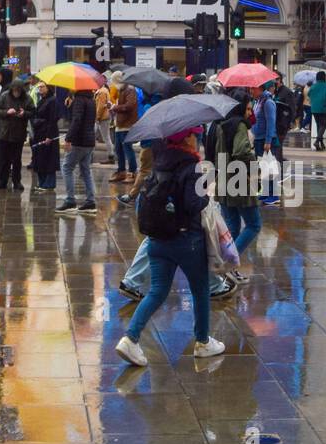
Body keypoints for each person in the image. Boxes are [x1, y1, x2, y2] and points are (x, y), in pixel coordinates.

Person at [115, 129, 225, 366]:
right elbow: (194, 204)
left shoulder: (159, 163)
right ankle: (203, 342)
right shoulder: (191, 166)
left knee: (156, 291)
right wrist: (205, 193)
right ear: (187, 139)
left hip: (157, 240)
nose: (197, 139)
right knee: (200, 290)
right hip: (187, 241)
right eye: (195, 135)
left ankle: (130, 339)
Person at [212, 91, 260, 283]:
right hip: (239, 177)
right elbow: (241, 151)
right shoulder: (239, 125)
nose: (249, 113)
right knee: (254, 224)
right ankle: (229, 265)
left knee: (231, 226)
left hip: (224, 176)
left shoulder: (221, 125)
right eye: (248, 108)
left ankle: (225, 267)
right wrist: (253, 164)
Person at [56, 85, 97, 212]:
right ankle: (90, 201)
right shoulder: (91, 100)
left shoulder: (79, 100)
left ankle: (70, 201)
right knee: (85, 170)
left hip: (79, 140)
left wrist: (68, 139)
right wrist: (71, 106)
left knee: (67, 167)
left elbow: (77, 120)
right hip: (89, 140)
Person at [0, 77, 34, 191]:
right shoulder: (4, 96)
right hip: (4, 133)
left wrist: (24, 113)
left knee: (17, 160)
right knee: (3, 159)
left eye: (18, 90)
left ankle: (17, 181)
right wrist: (7, 112)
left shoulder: (27, 98)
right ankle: (2, 181)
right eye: (14, 90)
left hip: (18, 134)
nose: (16, 92)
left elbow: (33, 112)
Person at [251, 82, 280, 204]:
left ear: (260, 88)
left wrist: (268, 140)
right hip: (258, 139)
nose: (251, 90)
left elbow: (271, 122)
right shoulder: (258, 101)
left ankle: (273, 195)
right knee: (263, 167)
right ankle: (265, 192)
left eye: (253, 88)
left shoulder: (268, 102)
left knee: (269, 167)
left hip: (266, 140)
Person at [30, 82, 60, 193]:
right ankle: (42, 183)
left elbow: (53, 119)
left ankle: (49, 184)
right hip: (39, 133)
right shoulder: (42, 100)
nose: (40, 89)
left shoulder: (52, 101)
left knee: (49, 159)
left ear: (48, 88)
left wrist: (49, 136)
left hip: (47, 133)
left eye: (42, 87)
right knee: (40, 158)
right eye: (39, 87)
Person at [111, 72, 139, 182]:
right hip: (120, 124)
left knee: (127, 149)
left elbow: (130, 105)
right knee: (118, 149)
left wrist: (115, 107)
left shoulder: (129, 89)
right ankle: (121, 171)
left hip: (127, 125)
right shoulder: (122, 89)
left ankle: (132, 172)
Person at [308, 70, 326, 151]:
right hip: (324, 108)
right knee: (323, 125)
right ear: (324, 77)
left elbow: (309, 94)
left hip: (314, 109)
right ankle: (317, 141)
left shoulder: (313, 86)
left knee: (319, 126)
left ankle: (321, 144)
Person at [95, 79, 114, 163]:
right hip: (104, 117)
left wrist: (97, 117)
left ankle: (111, 156)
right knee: (97, 136)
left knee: (106, 137)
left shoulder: (102, 92)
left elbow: (100, 106)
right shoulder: (104, 90)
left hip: (102, 118)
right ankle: (89, 156)